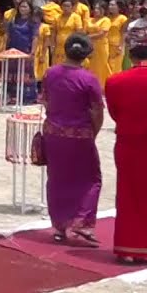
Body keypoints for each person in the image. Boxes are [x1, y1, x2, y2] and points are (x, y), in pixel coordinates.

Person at [104, 25, 147, 264]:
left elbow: (115, 113)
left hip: (130, 146)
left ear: (131, 55)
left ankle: (129, 248)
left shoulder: (115, 82)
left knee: (130, 197)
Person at [40, 33, 105, 247]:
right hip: (80, 135)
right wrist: (92, 133)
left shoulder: (50, 73)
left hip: (53, 134)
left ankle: (59, 226)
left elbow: (46, 102)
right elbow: (97, 112)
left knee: (57, 179)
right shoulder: (89, 79)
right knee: (91, 178)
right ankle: (81, 221)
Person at [4, 0, 41, 104]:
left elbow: (35, 37)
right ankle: (12, 95)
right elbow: (8, 35)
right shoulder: (13, 20)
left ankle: (28, 97)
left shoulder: (33, 22)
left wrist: (32, 52)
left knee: (26, 74)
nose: (23, 9)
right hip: (13, 49)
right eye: (21, 6)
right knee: (12, 73)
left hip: (26, 49)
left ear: (30, 9)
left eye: (25, 7)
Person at [85, 0, 112, 88]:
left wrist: (88, 37)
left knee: (101, 66)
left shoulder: (106, 20)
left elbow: (102, 34)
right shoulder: (90, 20)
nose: (96, 10)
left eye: (99, 8)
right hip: (89, 46)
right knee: (90, 65)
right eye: (95, 8)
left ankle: (100, 86)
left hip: (101, 46)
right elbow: (85, 31)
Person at [51, 0, 85, 67]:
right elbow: (54, 32)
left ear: (72, 7)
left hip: (70, 46)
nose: (66, 8)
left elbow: (78, 32)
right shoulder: (57, 17)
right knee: (57, 65)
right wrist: (52, 45)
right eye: (64, 6)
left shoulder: (76, 17)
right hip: (58, 46)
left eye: (68, 6)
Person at [106, 0, 128, 77]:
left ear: (119, 7)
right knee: (107, 67)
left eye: (112, 5)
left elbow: (124, 33)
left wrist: (121, 46)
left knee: (115, 67)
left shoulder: (123, 18)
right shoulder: (107, 18)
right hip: (106, 44)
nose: (110, 7)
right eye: (109, 5)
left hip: (117, 45)